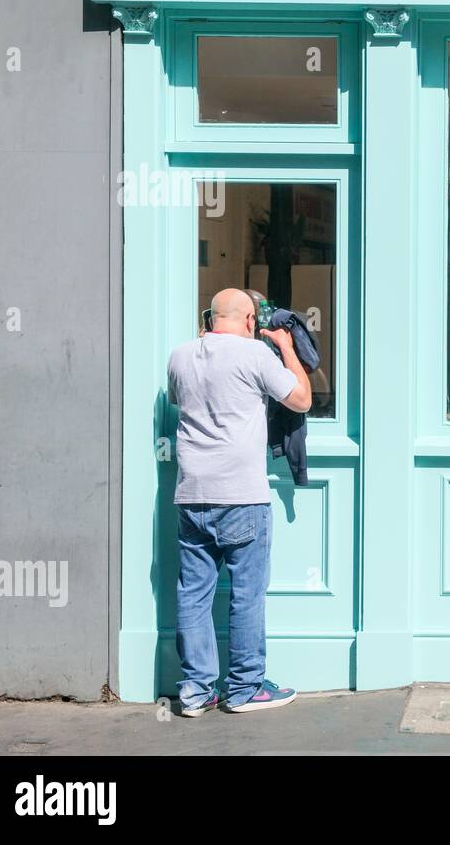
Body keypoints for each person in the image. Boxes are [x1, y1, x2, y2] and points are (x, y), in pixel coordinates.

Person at [167, 288, 312, 716]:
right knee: (246, 595)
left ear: (209, 319)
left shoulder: (179, 356)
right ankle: (245, 688)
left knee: (193, 593)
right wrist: (286, 347)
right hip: (242, 495)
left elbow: (185, 400)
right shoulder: (256, 356)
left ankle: (195, 691)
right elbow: (301, 399)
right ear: (250, 321)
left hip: (192, 494)